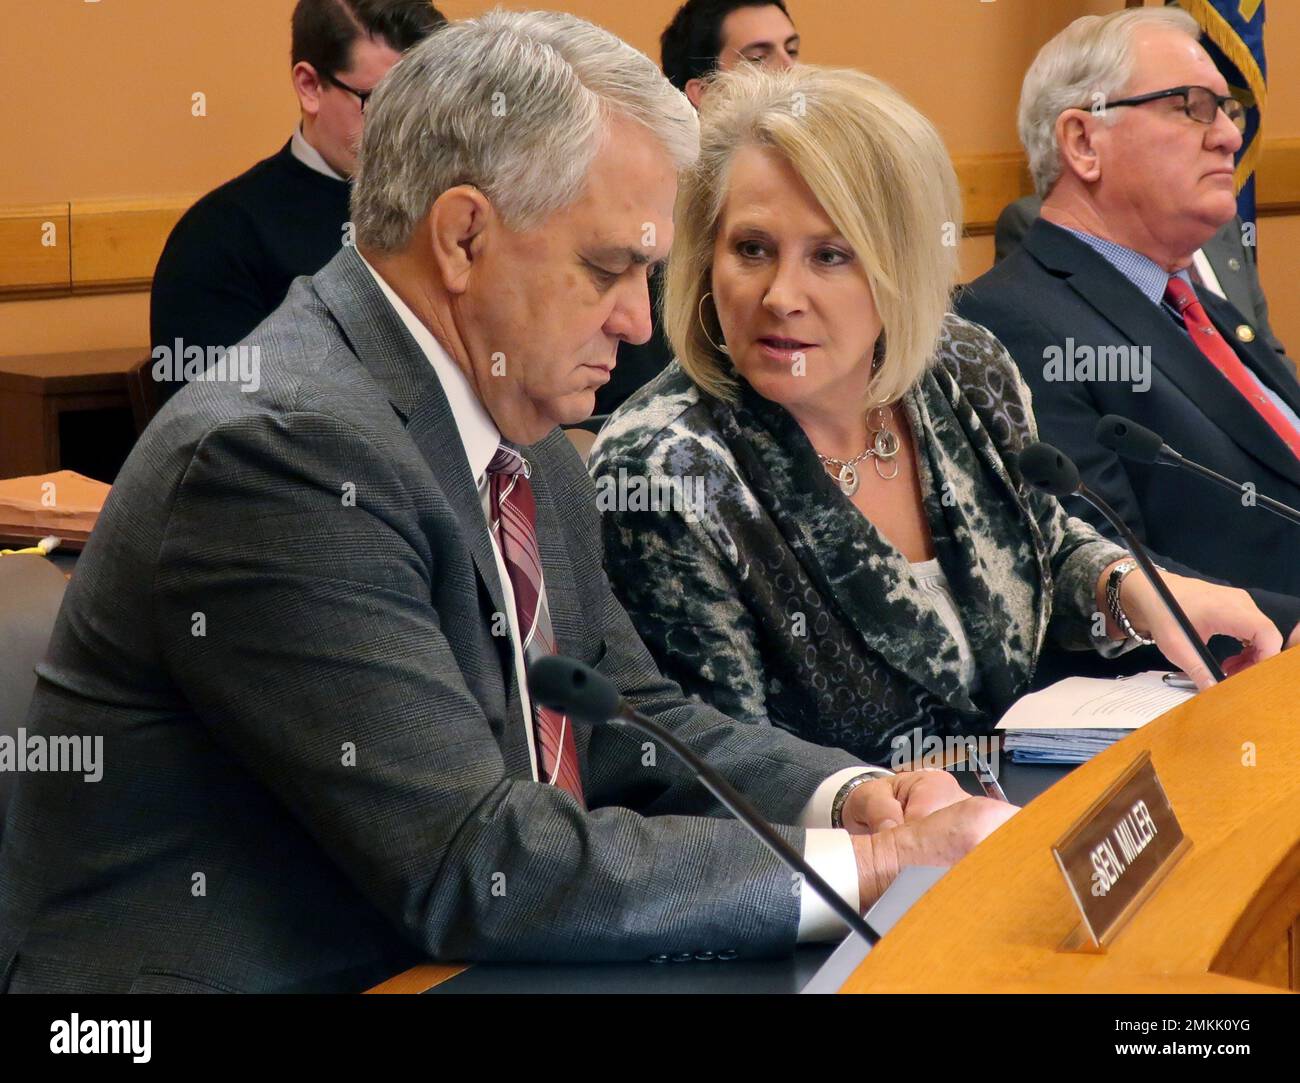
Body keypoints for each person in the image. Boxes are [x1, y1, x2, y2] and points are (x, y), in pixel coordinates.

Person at [0, 12, 1011, 995]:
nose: (634, 319)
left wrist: (852, 801)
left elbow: (632, 718)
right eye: (609, 268)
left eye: (649, 273)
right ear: (464, 237)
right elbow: (469, 861)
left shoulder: (516, 422)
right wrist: (876, 870)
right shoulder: (280, 450)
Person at [589, 64, 1283, 766]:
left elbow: (1035, 542)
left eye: (830, 255)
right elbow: (723, 773)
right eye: (751, 249)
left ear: (903, 265)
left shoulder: (959, 368)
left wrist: (1129, 591)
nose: (781, 295)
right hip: (849, 864)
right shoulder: (666, 468)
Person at [957, 8, 1300, 647]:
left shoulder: (1202, 306)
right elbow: (1106, 566)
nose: (1228, 135)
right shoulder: (1013, 322)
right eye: (1192, 107)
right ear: (1084, 141)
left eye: (1227, 109)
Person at [148, 0, 445, 404]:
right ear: (309, 86)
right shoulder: (217, 237)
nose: (408, 133)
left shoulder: (461, 212)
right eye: (383, 104)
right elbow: (216, 431)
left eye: (427, 104)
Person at [601, 0, 802, 417]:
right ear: (703, 95)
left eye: (792, 51)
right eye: (760, 58)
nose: (789, 71)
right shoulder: (649, 236)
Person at [992, 196, 1283, 356]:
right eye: (1189, 111)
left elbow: (1270, 357)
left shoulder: (1225, 225)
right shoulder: (1045, 224)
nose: (1230, 136)